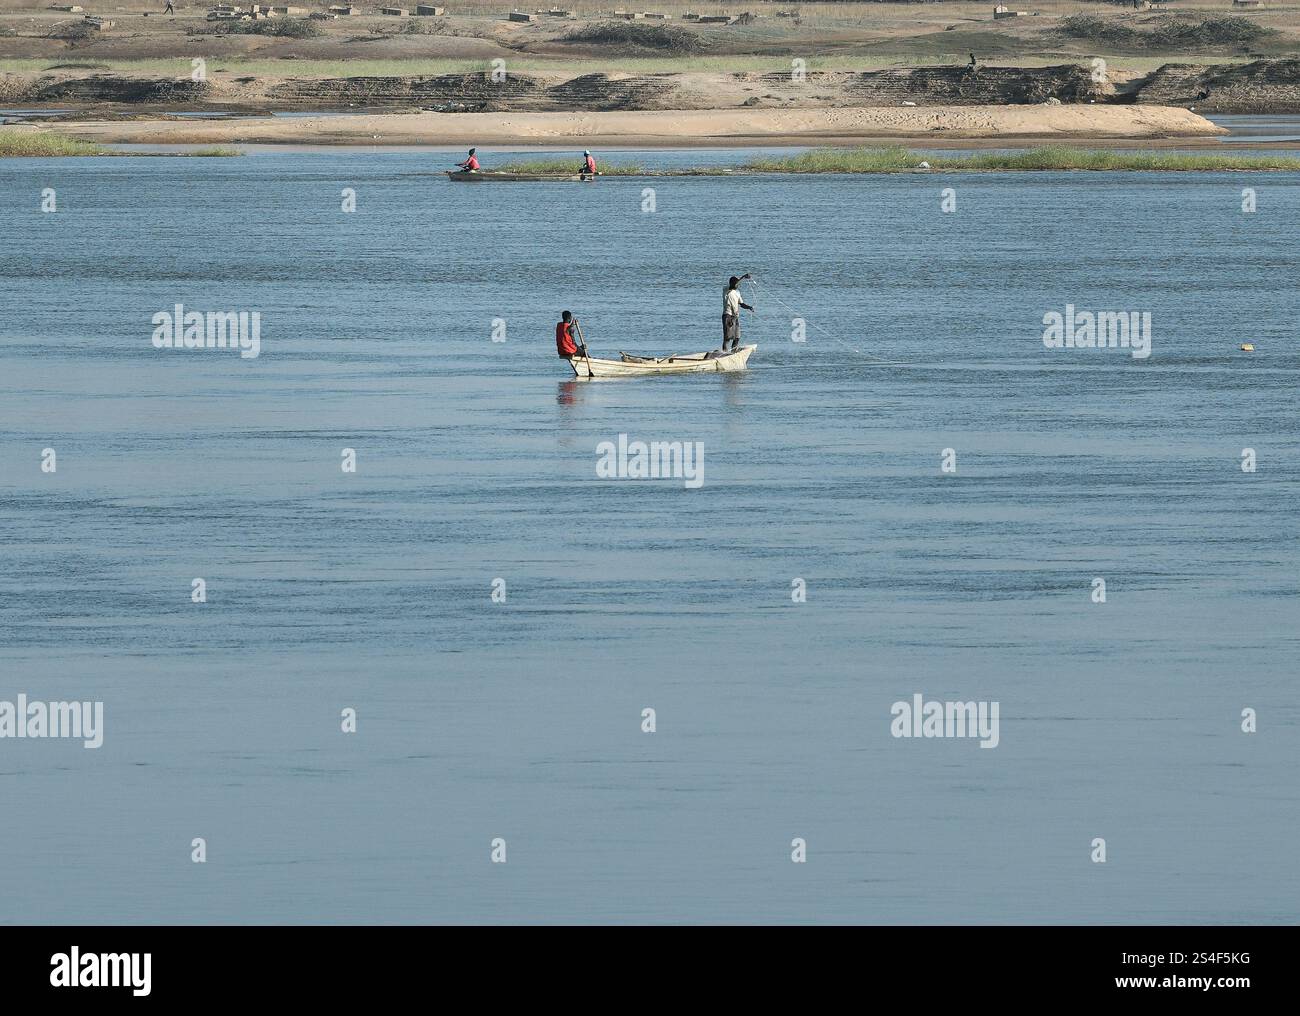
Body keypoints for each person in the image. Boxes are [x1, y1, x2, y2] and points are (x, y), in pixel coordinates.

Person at [722, 274, 753, 353]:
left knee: (737, 337)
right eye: (736, 284)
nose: (738, 285)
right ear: (731, 284)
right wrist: (743, 277)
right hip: (727, 315)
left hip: (735, 316)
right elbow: (734, 284)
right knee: (728, 337)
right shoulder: (726, 290)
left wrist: (749, 307)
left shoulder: (737, 292)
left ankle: (733, 351)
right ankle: (724, 352)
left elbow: (741, 304)